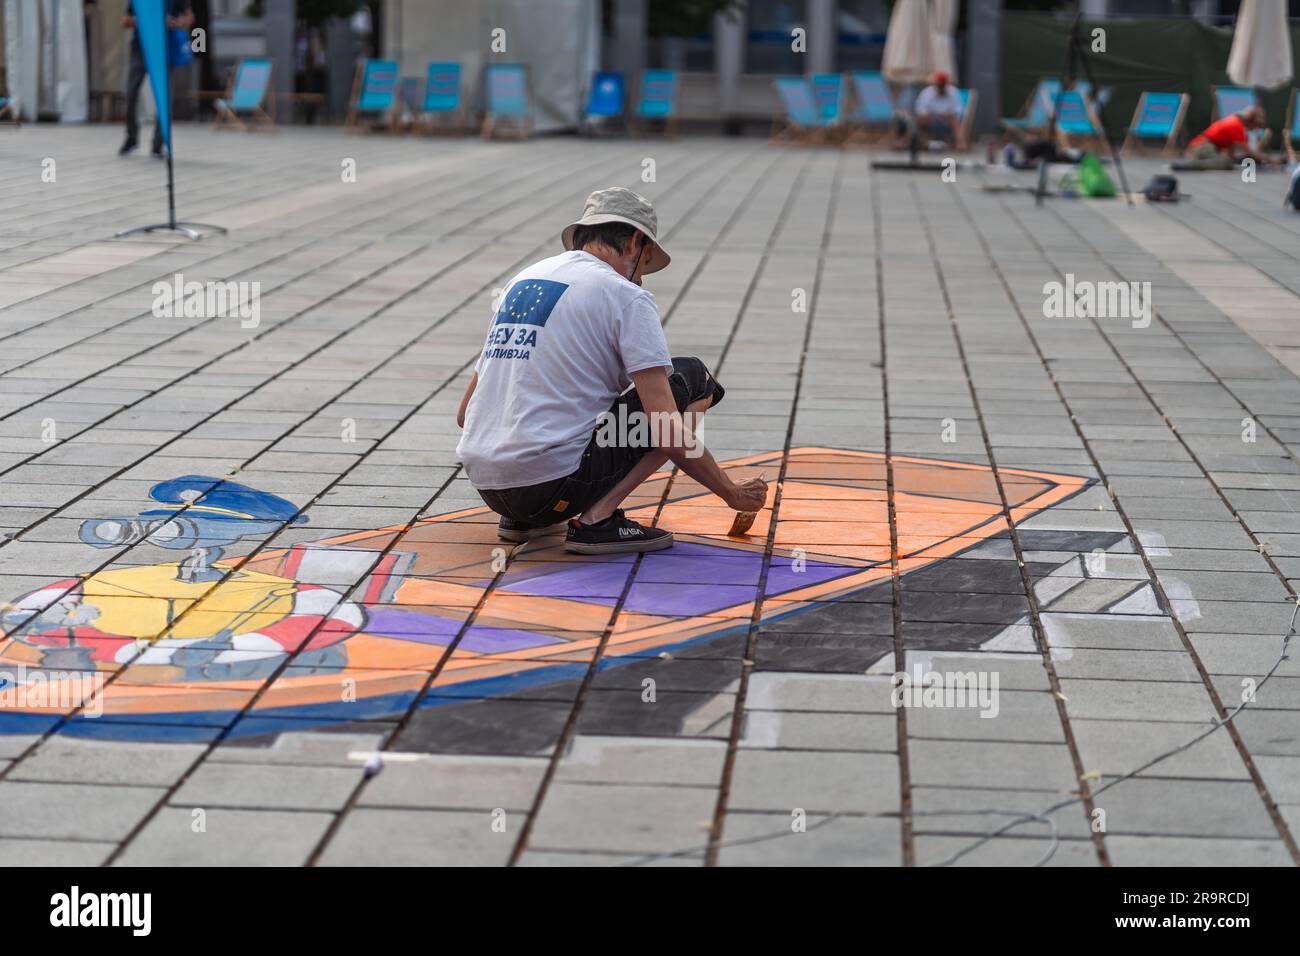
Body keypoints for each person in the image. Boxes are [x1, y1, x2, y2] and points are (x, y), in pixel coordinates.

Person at [455, 187, 768, 555]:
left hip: (491, 488)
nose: (640, 279)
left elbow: (465, 414)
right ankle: (597, 520)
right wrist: (731, 493)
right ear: (636, 242)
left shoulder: (522, 281)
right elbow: (667, 431)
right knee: (692, 378)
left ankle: (523, 522)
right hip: (551, 487)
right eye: (645, 264)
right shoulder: (625, 295)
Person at [120, 0, 194, 157]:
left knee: (165, 97)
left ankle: (158, 143)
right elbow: (125, 20)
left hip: (165, 49)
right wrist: (149, 20)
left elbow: (189, 17)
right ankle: (131, 137)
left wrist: (176, 22)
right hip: (140, 49)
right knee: (130, 93)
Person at [1182, 105, 1267, 170]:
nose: (1255, 128)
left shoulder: (1234, 121)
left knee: (1228, 162)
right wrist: (1265, 160)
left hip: (1202, 146)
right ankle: (1192, 164)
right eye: (1256, 124)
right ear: (1250, 120)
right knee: (1225, 163)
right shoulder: (1236, 125)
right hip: (1203, 146)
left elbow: (1231, 151)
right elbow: (1247, 150)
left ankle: (1194, 162)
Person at [910, 71, 966, 151]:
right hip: (931, 119)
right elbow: (920, 109)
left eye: (942, 85)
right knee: (919, 119)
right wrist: (932, 115)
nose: (940, 87)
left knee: (955, 121)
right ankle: (909, 142)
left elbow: (959, 110)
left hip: (948, 120)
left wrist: (946, 116)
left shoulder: (953, 92)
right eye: (939, 85)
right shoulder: (927, 92)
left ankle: (960, 143)